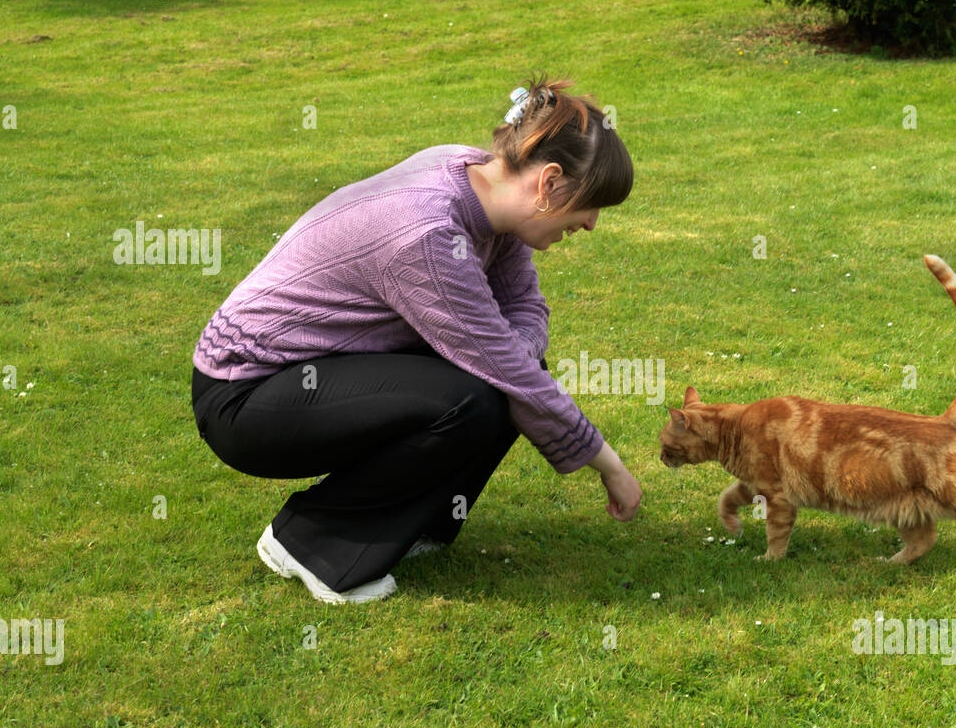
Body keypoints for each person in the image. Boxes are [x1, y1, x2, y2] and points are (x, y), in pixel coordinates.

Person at [190, 76, 643, 603]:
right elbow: (506, 365)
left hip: (310, 374)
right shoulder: (428, 233)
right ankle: (312, 544)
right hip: (246, 394)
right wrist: (608, 464)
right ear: (548, 183)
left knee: (500, 377)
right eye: (592, 205)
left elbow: (524, 309)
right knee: (478, 393)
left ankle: (409, 526)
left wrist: (513, 362)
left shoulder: (483, 188)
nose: (590, 224)